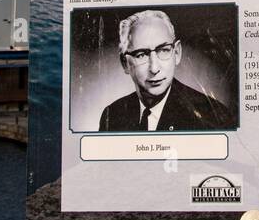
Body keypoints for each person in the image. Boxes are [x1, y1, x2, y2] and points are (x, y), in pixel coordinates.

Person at [98, 8, 233, 131]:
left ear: (177, 53)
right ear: (125, 63)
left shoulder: (213, 116)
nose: (154, 68)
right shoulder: (112, 115)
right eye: (141, 55)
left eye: (163, 50)